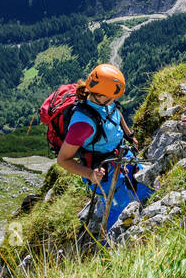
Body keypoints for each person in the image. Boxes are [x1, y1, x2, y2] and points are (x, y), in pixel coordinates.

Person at [55, 63, 142, 226]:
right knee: (119, 212)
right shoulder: (83, 125)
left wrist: (129, 134)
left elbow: (116, 112)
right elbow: (63, 160)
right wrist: (90, 174)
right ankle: (111, 244)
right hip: (103, 171)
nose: (116, 99)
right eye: (113, 96)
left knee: (142, 190)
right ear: (101, 96)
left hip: (121, 156)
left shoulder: (104, 101)